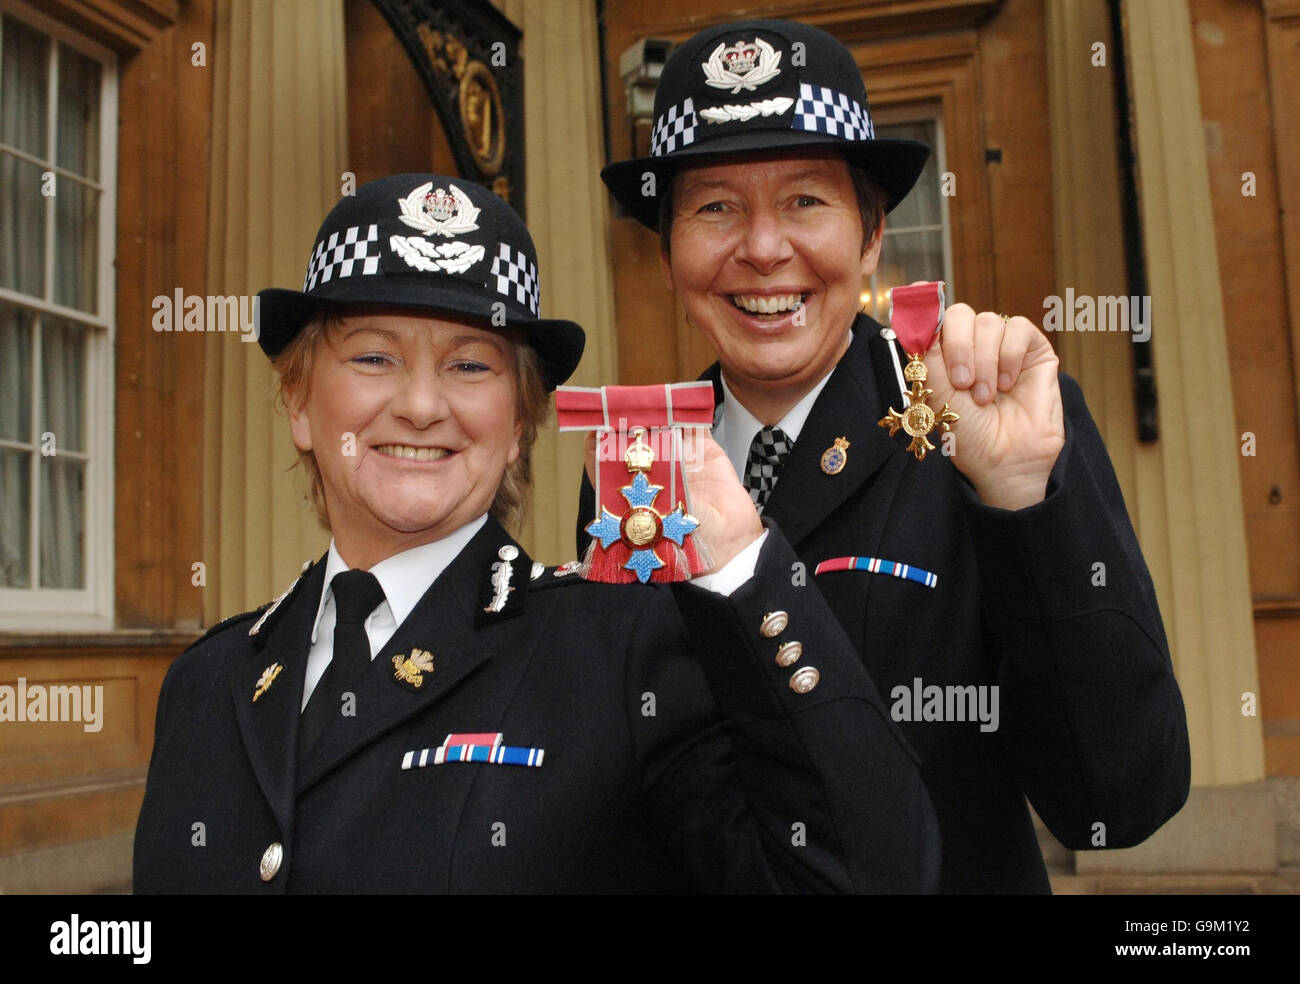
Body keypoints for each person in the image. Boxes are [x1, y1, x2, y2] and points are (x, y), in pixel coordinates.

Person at [132, 173, 940, 893]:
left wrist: (744, 572)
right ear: (300, 404)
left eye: (471, 365)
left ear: (518, 424)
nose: (420, 404)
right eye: (373, 357)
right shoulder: (208, 683)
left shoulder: (621, 652)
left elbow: (866, 872)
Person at [586, 19, 1191, 893]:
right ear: (670, 254)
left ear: (871, 237)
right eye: (715, 206)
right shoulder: (637, 466)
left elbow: (1119, 799)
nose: (761, 248)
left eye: (806, 201)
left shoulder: (974, 429)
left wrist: (1024, 502)